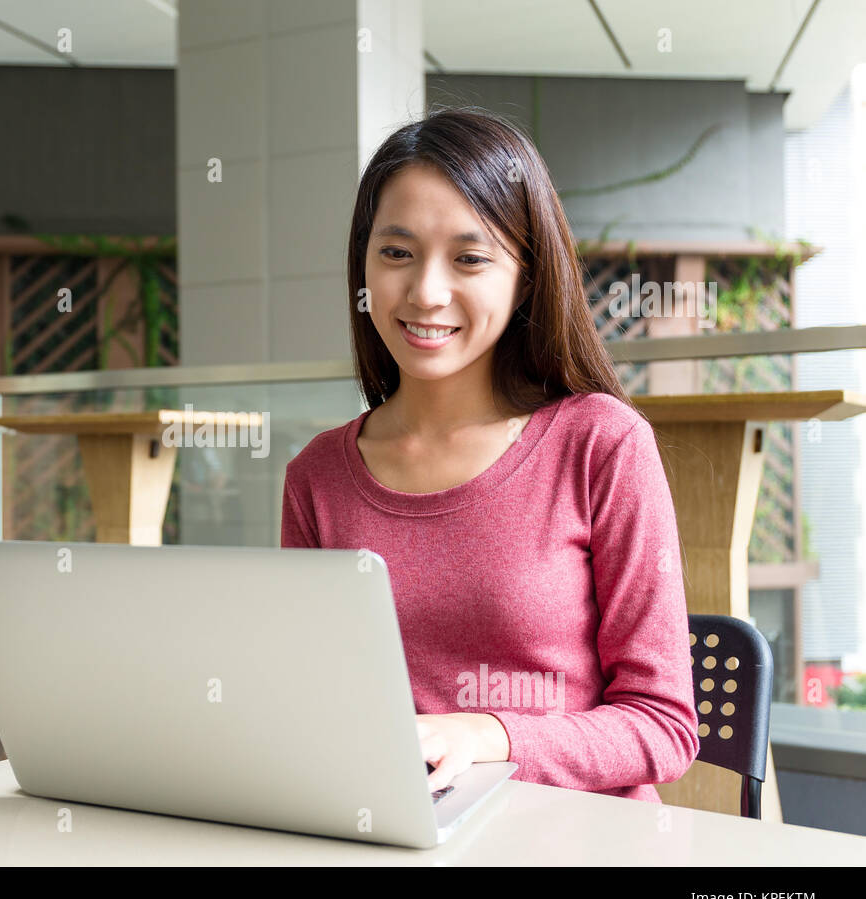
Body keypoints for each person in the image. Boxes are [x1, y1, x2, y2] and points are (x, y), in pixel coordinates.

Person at [281, 107, 700, 802]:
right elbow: (316, 702)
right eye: (396, 253)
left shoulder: (601, 443)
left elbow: (662, 726)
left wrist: (487, 735)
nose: (426, 292)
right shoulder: (317, 477)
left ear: (527, 279)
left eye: (470, 258)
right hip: (397, 835)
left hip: (579, 841)